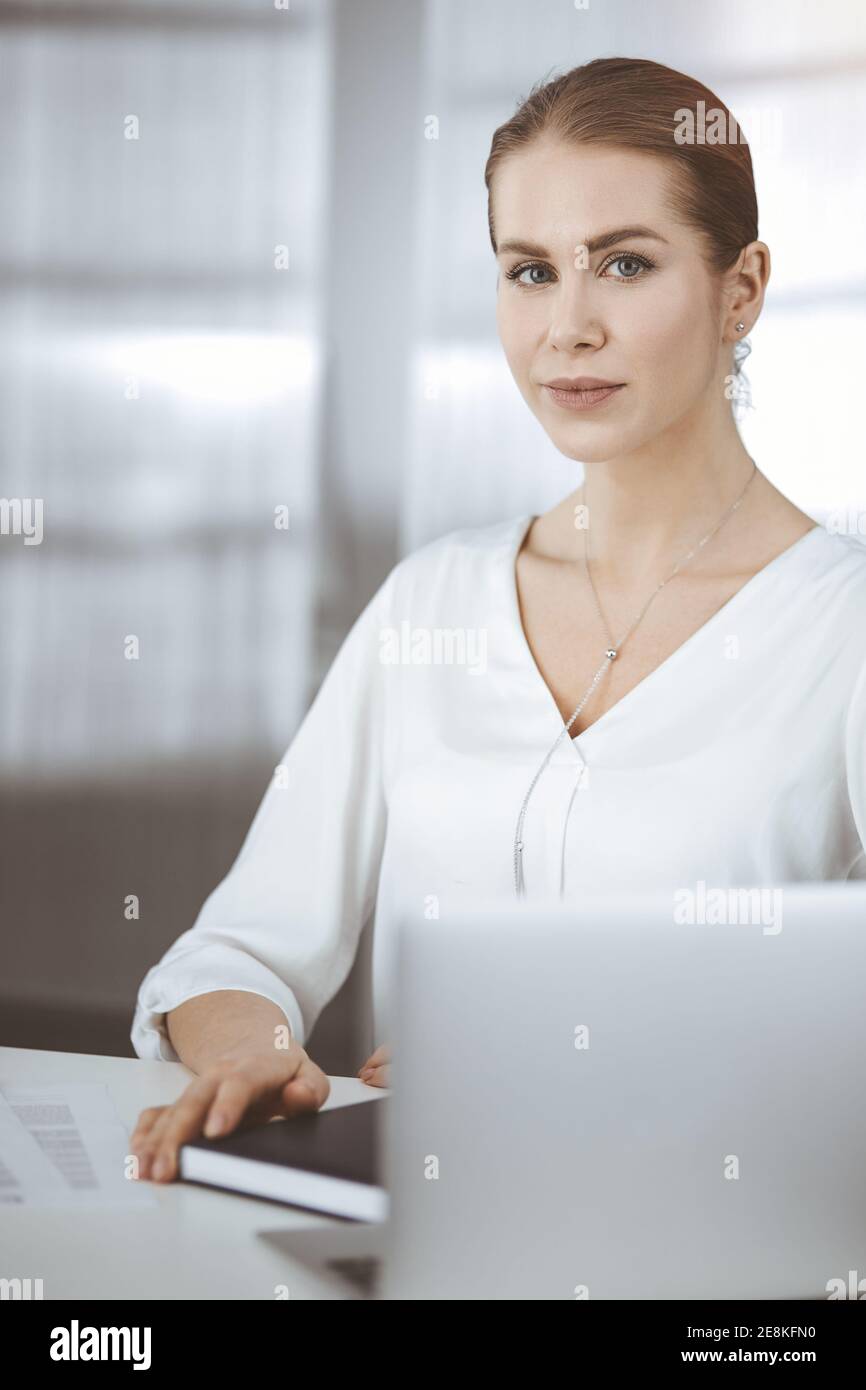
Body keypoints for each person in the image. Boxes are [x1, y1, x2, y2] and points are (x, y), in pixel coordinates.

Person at [129, 56, 866, 1184]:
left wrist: (568, 1055)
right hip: (423, 1240)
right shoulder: (430, 601)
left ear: (742, 288)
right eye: (529, 271)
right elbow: (234, 950)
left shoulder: (839, 628)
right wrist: (255, 1050)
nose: (566, 326)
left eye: (623, 263)